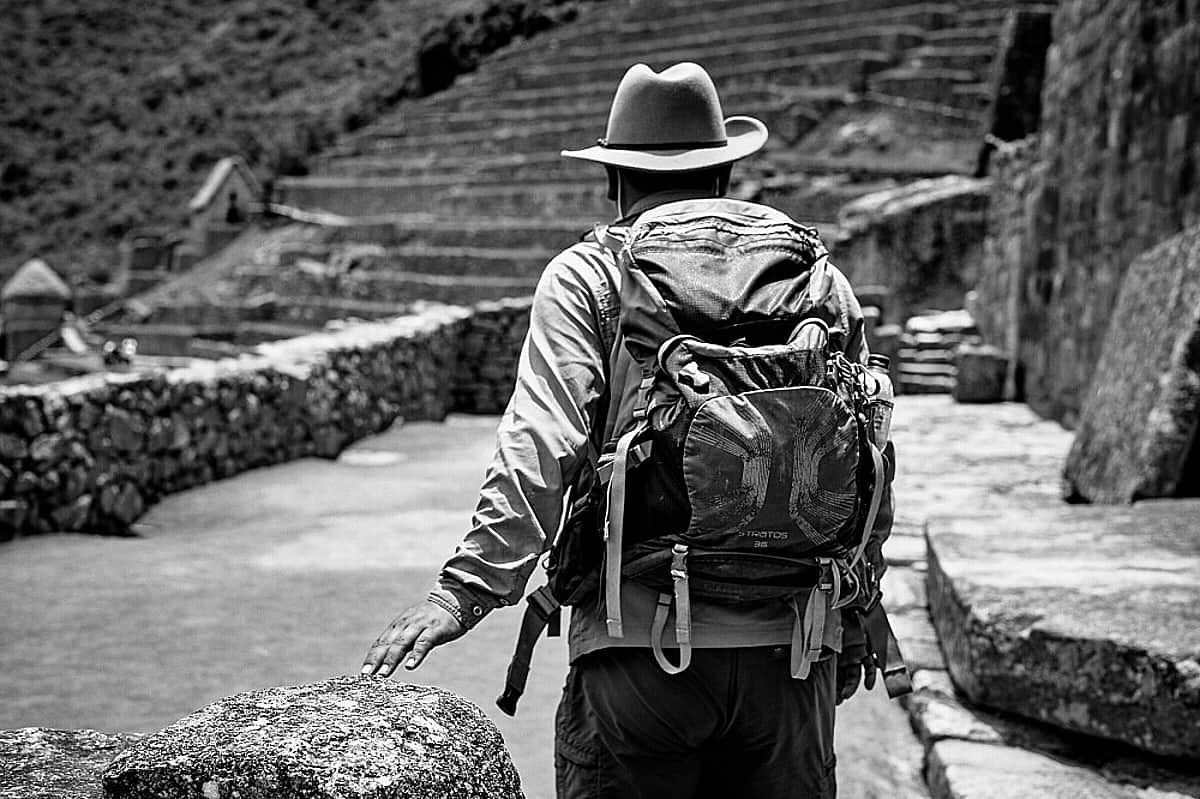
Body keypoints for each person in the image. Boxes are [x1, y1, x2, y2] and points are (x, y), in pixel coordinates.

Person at [362, 62, 893, 799]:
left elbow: (541, 442)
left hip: (635, 656)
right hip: (791, 654)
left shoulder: (590, 275)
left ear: (613, 179)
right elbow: (866, 447)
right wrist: (864, 610)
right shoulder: (816, 279)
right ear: (726, 173)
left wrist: (466, 591)